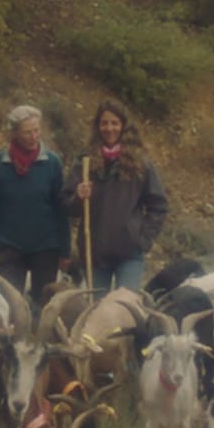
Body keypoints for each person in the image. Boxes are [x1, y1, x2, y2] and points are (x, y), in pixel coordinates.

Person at [65, 100, 169, 293]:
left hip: (129, 254)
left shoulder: (140, 163)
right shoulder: (85, 163)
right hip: (94, 254)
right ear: (97, 127)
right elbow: (67, 206)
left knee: (124, 311)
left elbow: (158, 204)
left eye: (114, 123)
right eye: (104, 123)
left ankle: (121, 326)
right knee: (97, 313)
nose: (109, 128)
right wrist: (78, 197)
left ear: (123, 126)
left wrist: (142, 238)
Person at [0, 105, 71, 304]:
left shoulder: (52, 163)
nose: (34, 137)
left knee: (43, 304)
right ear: (14, 133)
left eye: (37, 130)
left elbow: (61, 209)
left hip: (46, 247)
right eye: (27, 132)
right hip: (10, 247)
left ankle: (40, 335)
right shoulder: (0, 164)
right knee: (9, 303)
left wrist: (65, 251)